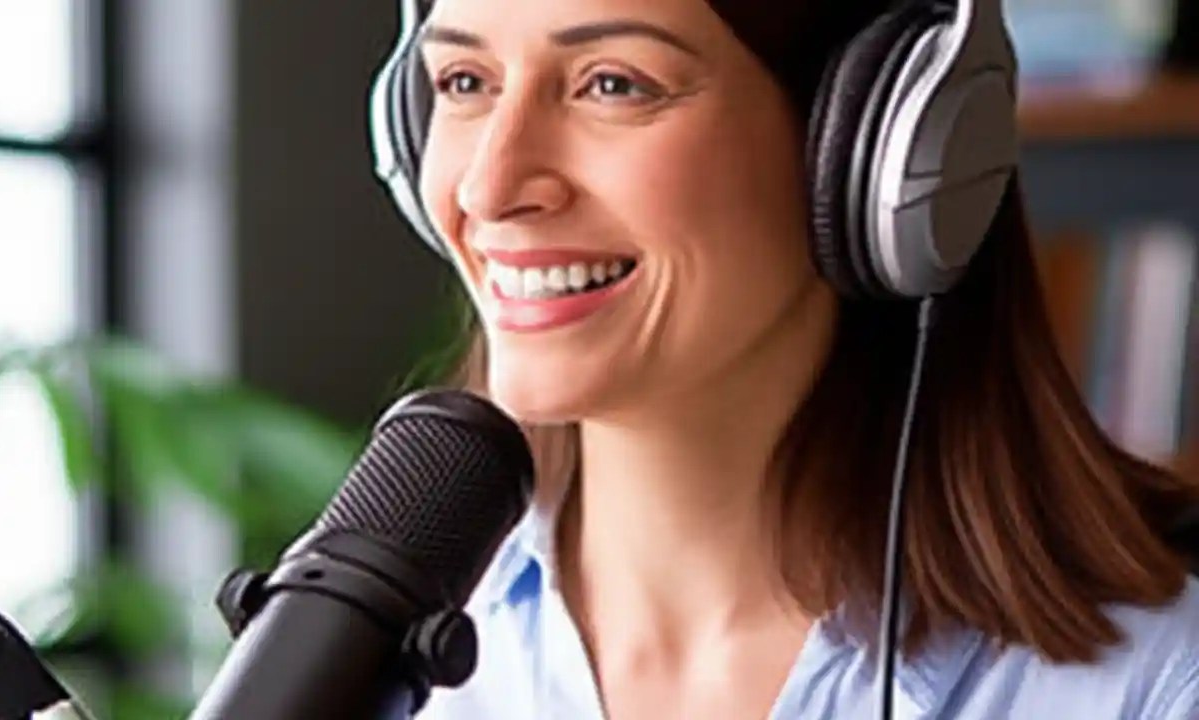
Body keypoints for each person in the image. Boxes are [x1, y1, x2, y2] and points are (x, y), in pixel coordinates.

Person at [382, 0, 1199, 717]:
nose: (490, 186)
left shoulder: (1154, 686)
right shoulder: (361, 655)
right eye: (464, 82)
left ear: (880, 148)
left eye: (613, 84)